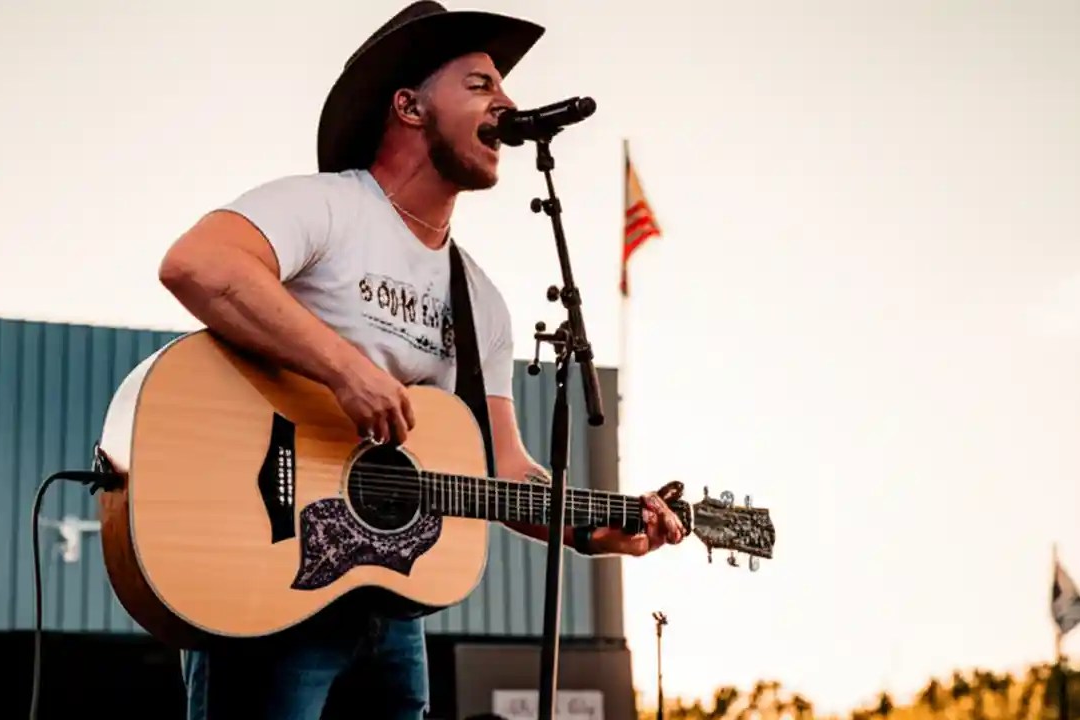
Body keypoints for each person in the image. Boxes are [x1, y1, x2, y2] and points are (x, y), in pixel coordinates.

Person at [155, 2, 686, 718]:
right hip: (268, 580)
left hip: (391, 604)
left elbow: (504, 470)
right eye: (479, 84)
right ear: (408, 106)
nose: (507, 103)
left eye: (504, 89)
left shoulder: (481, 302)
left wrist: (598, 530)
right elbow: (199, 263)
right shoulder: (327, 208)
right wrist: (347, 370)